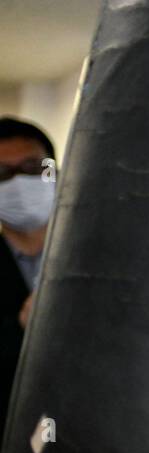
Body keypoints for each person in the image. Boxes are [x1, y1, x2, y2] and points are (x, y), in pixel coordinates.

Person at [0, 116, 57, 430]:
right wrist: (21, 327)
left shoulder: (107, 254)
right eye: (2, 173)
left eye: (35, 167)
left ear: (56, 171)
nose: (19, 182)